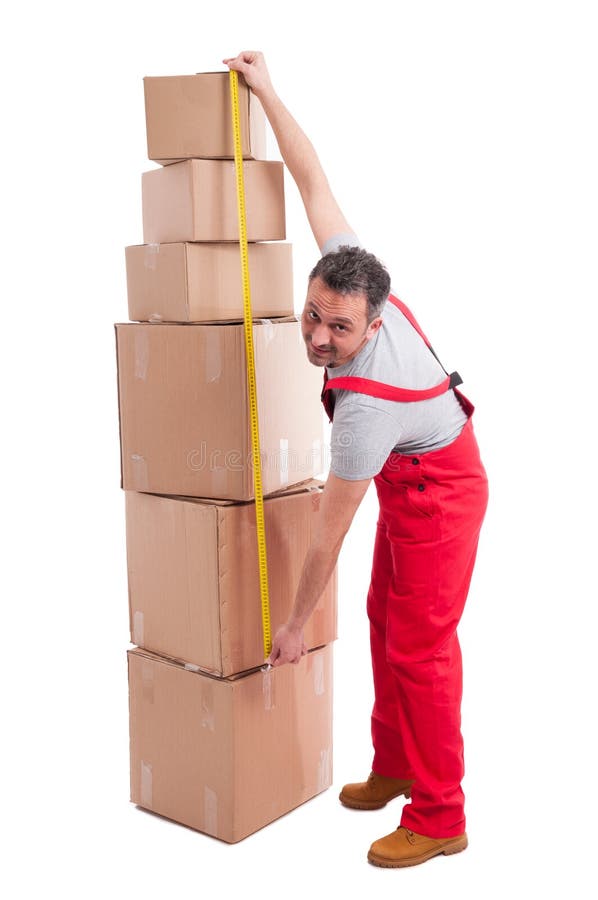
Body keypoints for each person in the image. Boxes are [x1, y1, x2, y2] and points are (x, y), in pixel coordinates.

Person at [224, 50, 489, 869]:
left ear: (372, 326)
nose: (317, 338)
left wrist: (295, 626)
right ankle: (396, 766)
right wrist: (269, 90)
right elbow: (312, 179)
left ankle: (441, 814)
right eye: (312, 317)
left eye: (337, 330)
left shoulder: (364, 411)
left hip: (442, 488)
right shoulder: (349, 268)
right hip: (413, 478)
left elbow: (328, 535)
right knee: (384, 622)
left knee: (423, 645)